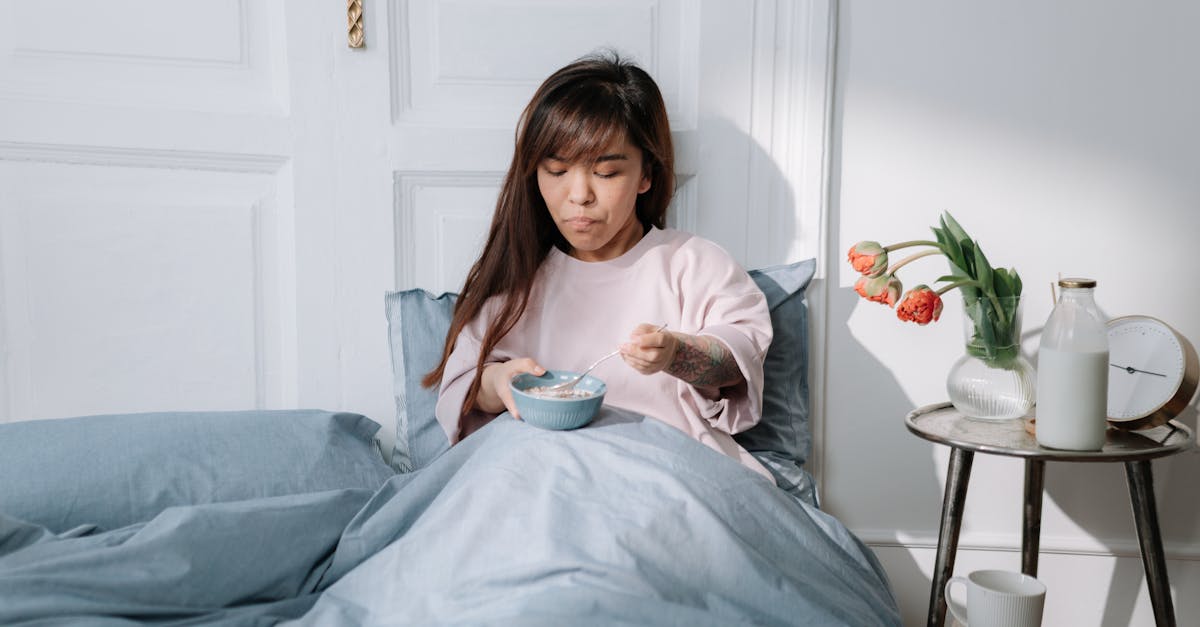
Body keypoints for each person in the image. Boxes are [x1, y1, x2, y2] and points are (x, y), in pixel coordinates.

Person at [423, 52, 774, 481]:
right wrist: (500, 385)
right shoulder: (519, 282)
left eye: (606, 173)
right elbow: (465, 385)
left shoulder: (693, 264)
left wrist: (677, 353)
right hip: (543, 480)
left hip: (667, 477)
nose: (579, 195)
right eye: (556, 170)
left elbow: (737, 359)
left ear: (646, 174)